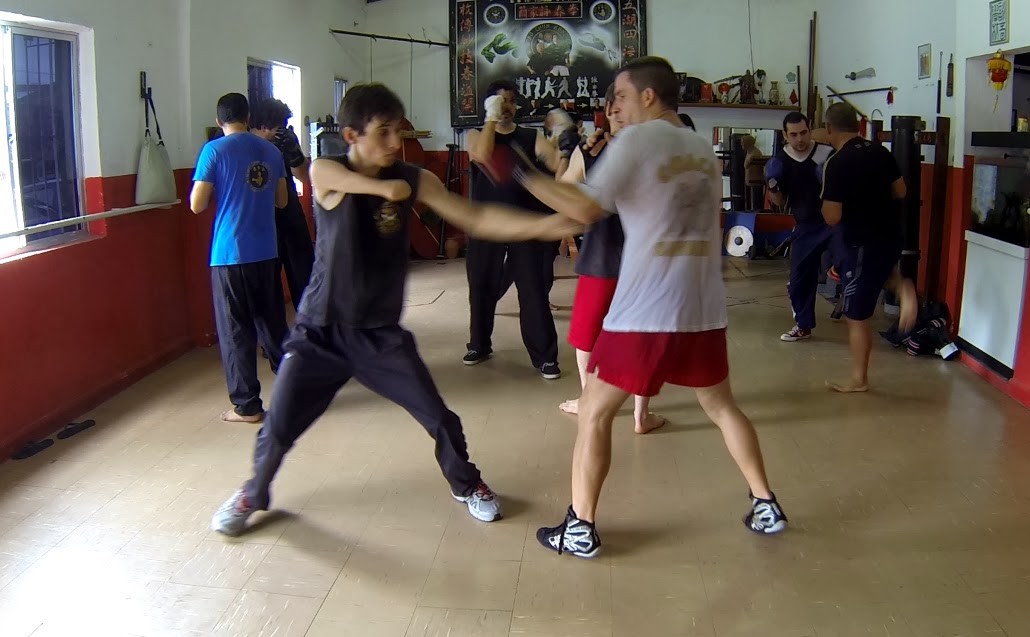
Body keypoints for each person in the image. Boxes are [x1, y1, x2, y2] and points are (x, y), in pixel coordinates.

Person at [210, 83, 581, 536]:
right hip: (319, 332)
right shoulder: (330, 170)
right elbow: (323, 177)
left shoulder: (413, 177)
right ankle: (254, 492)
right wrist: (385, 190)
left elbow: (478, 218)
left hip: (379, 336)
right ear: (351, 136)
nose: (394, 143)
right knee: (279, 425)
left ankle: (467, 484)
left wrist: (547, 225)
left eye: (397, 133)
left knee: (439, 417)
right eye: (382, 133)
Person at [517, 56, 788, 558]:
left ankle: (579, 528)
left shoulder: (638, 140)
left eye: (619, 96)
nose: (612, 107)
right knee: (722, 406)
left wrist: (525, 176)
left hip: (645, 309)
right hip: (702, 306)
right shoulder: (699, 147)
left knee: (594, 414)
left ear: (647, 96)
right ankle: (765, 502)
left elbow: (583, 209)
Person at [557, 83, 665, 435]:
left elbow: (562, 193)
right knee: (627, 339)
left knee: (590, 339)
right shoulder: (653, 151)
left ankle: (597, 403)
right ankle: (639, 415)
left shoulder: (598, 152)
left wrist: (567, 156)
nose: (618, 112)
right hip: (634, 262)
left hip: (610, 260)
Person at [464, 80, 579, 379]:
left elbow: (556, 165)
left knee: (533, 290)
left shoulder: (530, 136)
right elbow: (482, 155)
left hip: (526, 223)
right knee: (482, 285)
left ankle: (545, 357)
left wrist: (563, 142)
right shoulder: (476, 135)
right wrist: (491, 117)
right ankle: (479, 343)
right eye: (501, 102)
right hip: (486, 223)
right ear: (490, 105)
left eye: (512, 102)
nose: (508, 108)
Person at [190, 93, 289, 424]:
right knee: (273, 326)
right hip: (266, 252)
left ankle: (247, 406)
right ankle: (297, 391)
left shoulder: (214, 150)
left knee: (236, 331)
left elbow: (197, 204)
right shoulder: (272, 151)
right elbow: (282, 201)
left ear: (219, 121)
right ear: (247, 117)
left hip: (229, 254)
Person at [819, 102, 917, 393]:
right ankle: (902, 285)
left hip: (860, 243)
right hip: (891, 235)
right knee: (880, 272)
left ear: (829, 130)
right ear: (859, 126)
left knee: (856, 315)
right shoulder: (880, 151)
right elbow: (901, 191)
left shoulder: (836, 162)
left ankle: (859, 379)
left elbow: (833, 216)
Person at [765, 112, 835, 342]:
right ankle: (803, 325)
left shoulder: (827, 153)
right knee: (799, 280)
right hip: (806, 223)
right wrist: (773, 186)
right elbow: (780, 202)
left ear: (810, 129)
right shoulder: (781, 160)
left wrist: (830, 181)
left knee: (854, 265)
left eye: (803, 132)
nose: (800, 139)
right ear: (785, 135)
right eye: (793, 135)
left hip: (835, 221)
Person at [250, 98, 316, 312]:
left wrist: (294, 153)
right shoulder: (245, 144)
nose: (281, 131)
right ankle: (272, 341)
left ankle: (311, 330)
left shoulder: (285, 140)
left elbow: (305, 177)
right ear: (263, 126)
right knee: (267, 280)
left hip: (290, 213)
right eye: (277, 126)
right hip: (259, 218)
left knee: (303, 272)